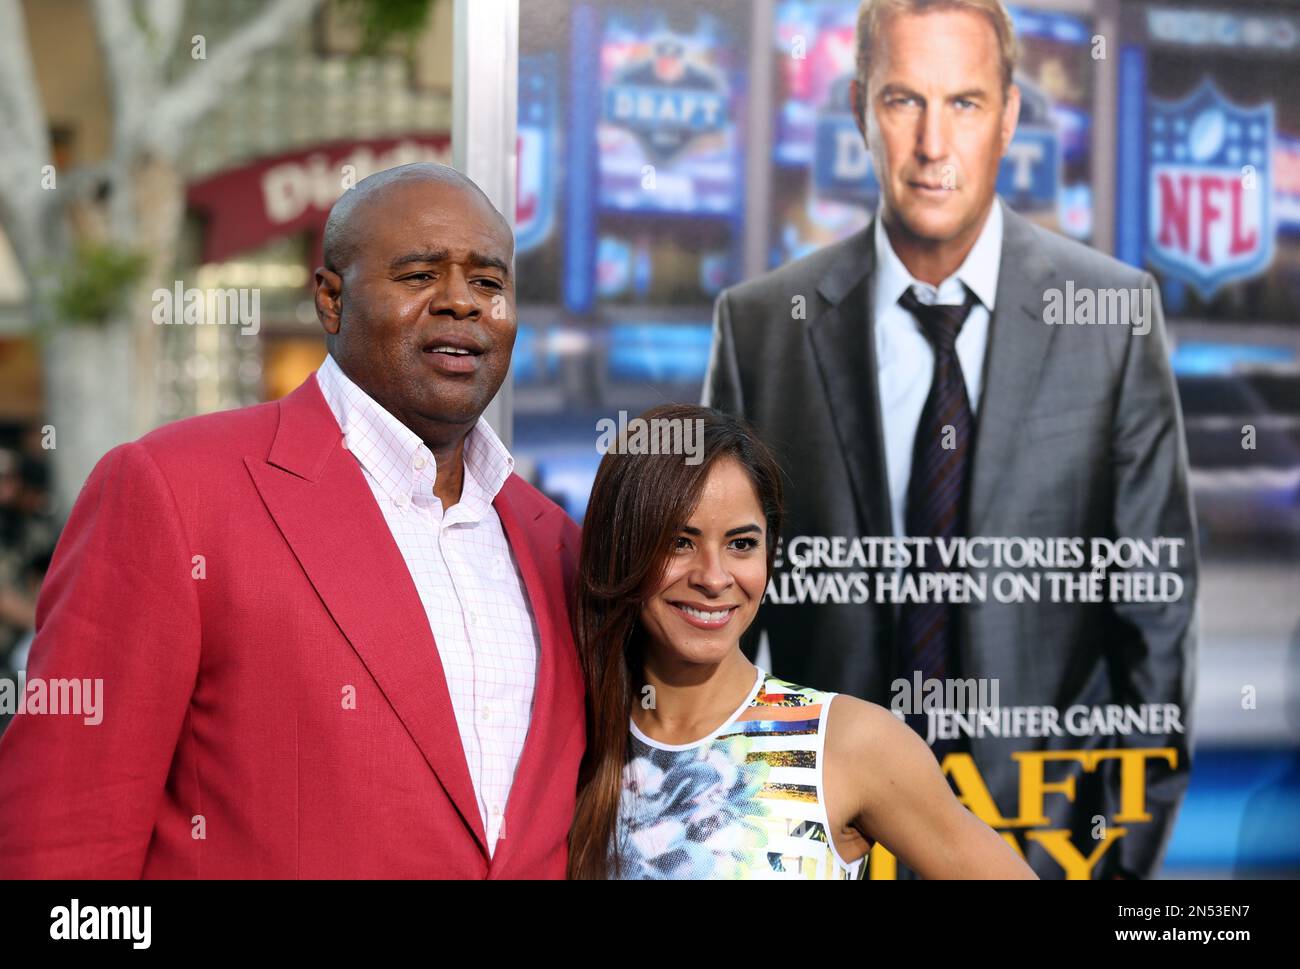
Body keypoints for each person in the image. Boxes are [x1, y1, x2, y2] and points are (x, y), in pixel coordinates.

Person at [702, 0, 1197, 879]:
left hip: (1045, 855)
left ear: (1010, 115)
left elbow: (1152, 628)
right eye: (903, 100)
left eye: (965, 103)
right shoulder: (762, 327)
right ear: (860, 107)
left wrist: (1103, 870)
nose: (934, 144)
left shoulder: (1114, 317)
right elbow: (718, 637)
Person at [0, 163, 584, 878]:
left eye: (489, 282)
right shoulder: (175, 491)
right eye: (420, 274)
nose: (461, 302)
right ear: (331, 300)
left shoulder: (554, 541)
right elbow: (63, 841)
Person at [568, 404, 1036, 880]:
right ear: (620, 549)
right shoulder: (570, 741)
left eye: (741, 543)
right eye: (679, 542)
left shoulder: (848, 741)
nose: (713, 578)